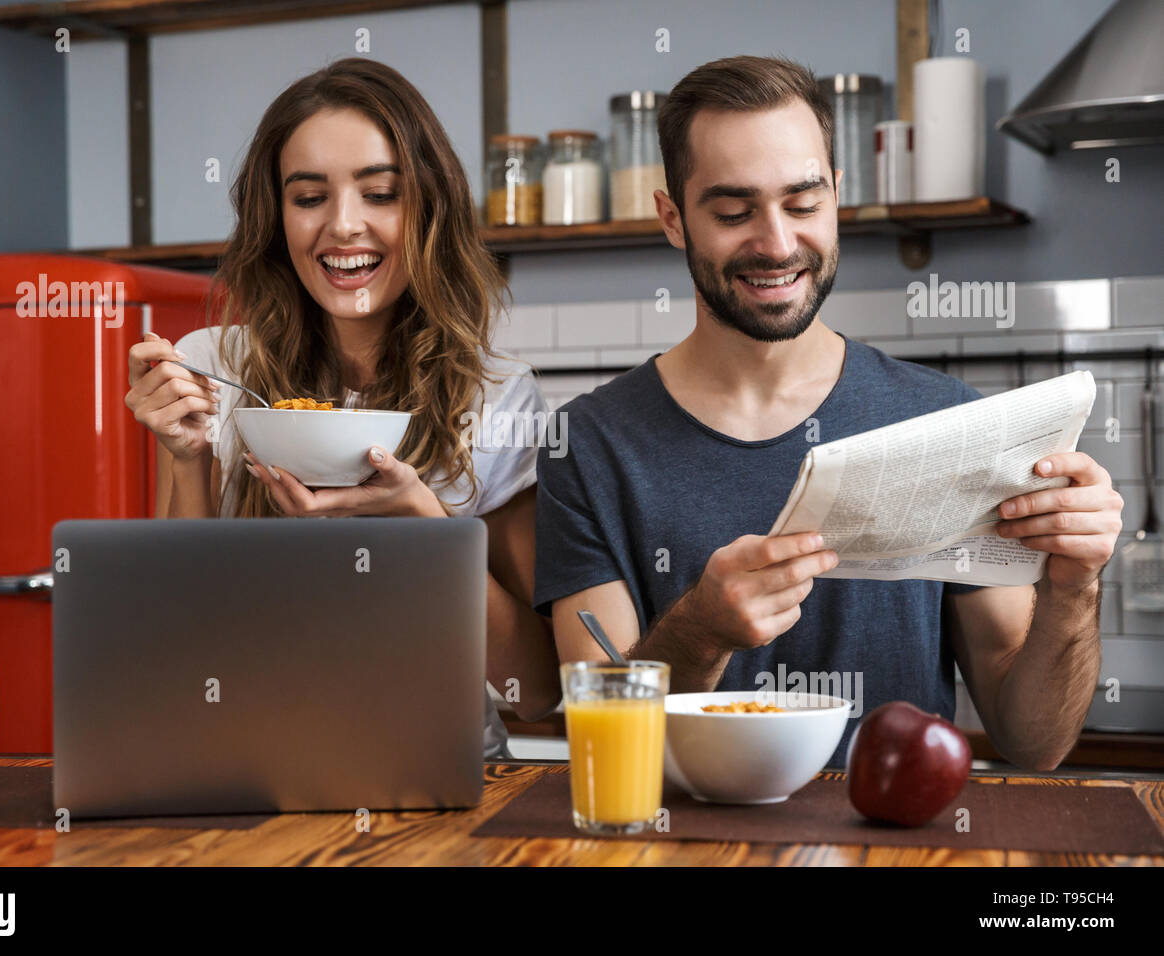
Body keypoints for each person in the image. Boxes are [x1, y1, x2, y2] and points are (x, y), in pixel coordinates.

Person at [534, 55, 1122, 770]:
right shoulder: (587, 446)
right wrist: (699, 633)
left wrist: (1073, 588)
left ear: (837, 198)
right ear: (673, 219)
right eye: (732, 211)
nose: (777, 243)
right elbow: (603, 748)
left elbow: (1035, 744)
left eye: (803, 203)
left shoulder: (946, 421)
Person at [125, 58, 561, 758]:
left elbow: (535, 691)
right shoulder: (213, 367)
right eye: (308, 198)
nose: (343, 226)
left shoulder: (498, 394)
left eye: (381, 193)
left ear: (428, 208)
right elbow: (181, 642)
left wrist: (429, 533)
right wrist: (188, 460)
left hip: (434, 778)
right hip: (252, 762)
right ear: (278, 219)